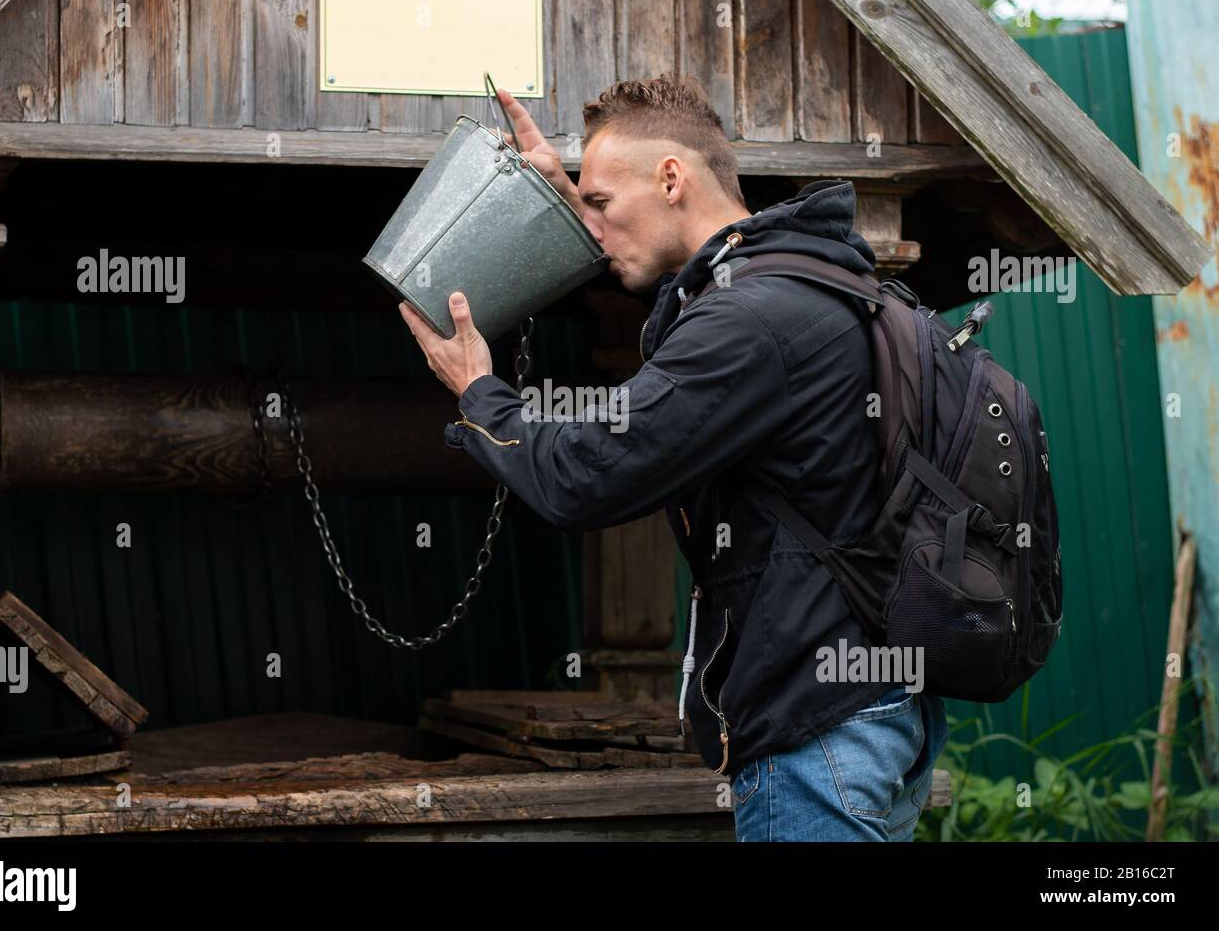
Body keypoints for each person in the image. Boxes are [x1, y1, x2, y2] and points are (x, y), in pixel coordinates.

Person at [398, 74, 948, 841]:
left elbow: (585, 478)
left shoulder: (754, 320)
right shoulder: (820, 282)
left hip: (817, 734)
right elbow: (692, 349)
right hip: (872, 714)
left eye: (600, 205)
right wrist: (570, 206)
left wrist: (481, 393)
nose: (594, 227)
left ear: (670, 178)